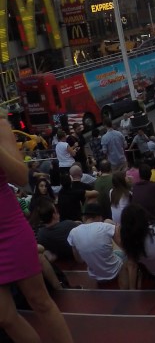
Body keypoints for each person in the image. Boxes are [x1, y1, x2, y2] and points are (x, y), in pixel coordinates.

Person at [0, 117, 74, 342]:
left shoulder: (0, 126)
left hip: (8, 228)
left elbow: (21, 176)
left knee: (40, 301)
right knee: (4, 317)